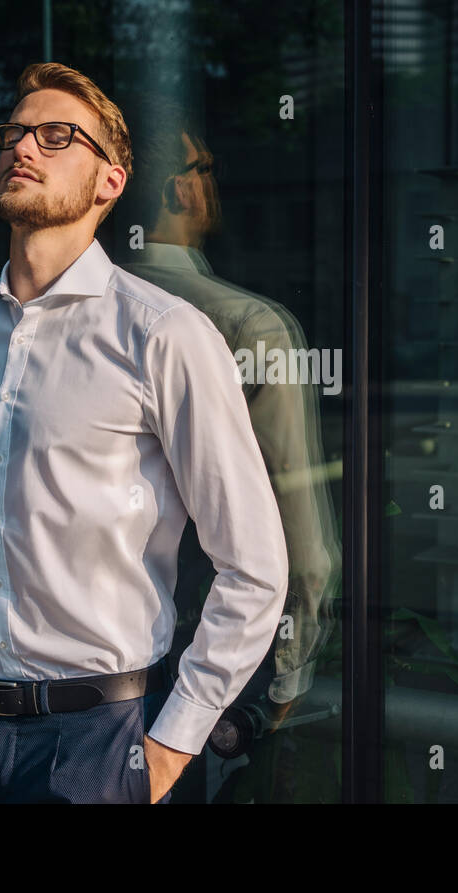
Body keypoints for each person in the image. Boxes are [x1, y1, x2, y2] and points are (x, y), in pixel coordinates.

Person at [0, 62, 289, 803]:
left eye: (55, 135)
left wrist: (169, 747)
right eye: (13, 131)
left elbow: (255, 566)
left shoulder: (163, 334)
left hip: (97, 740)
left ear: (110, 182)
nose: (22, 147)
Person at [111, 95, 340, 750]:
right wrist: (290, 677)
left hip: (81, 667)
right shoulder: (249, 326)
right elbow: (298, 525)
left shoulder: (61, 315)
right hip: (203, 662)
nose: (214, 181)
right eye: (205, 167)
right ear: (179, 188)